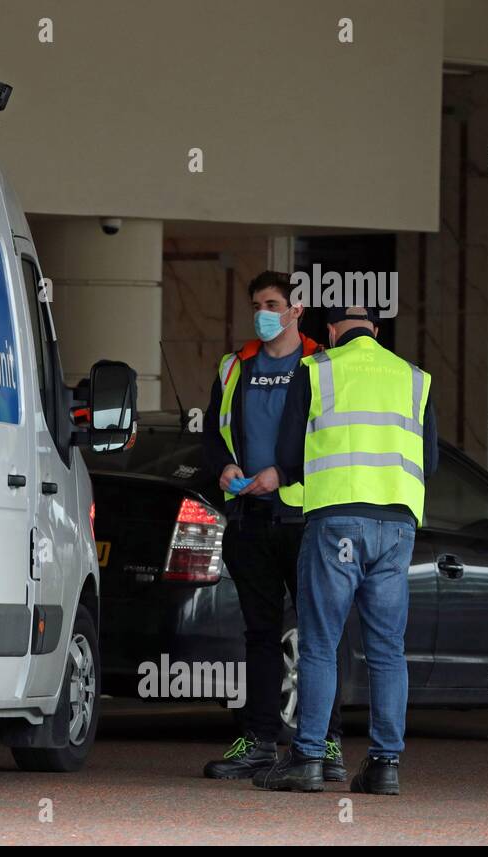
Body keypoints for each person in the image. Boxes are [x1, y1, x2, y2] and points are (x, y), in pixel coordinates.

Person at [255, 306, 437, 795]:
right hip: (397, 525)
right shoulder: (414, 378)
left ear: (332, 332)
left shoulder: (316, 369)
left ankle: (309, 759)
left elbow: (289, 457)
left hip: (336, 521)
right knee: (387, 649)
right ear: (375, 332)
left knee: (319, 642)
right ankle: (384, 766)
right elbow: (432, 458)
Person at [201, 271, 345, 780]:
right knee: (261, 634)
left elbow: (334, 440)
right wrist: (224, 465)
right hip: (250, 516)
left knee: (318, 637)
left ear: (295, 309)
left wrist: (281, 473)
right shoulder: (234, 365)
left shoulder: (321, 365)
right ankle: (260, 741)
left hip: (306, 518)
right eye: (257, 303)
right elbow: (211, 432)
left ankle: (325, 745)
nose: (263, 312)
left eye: (272, 303)